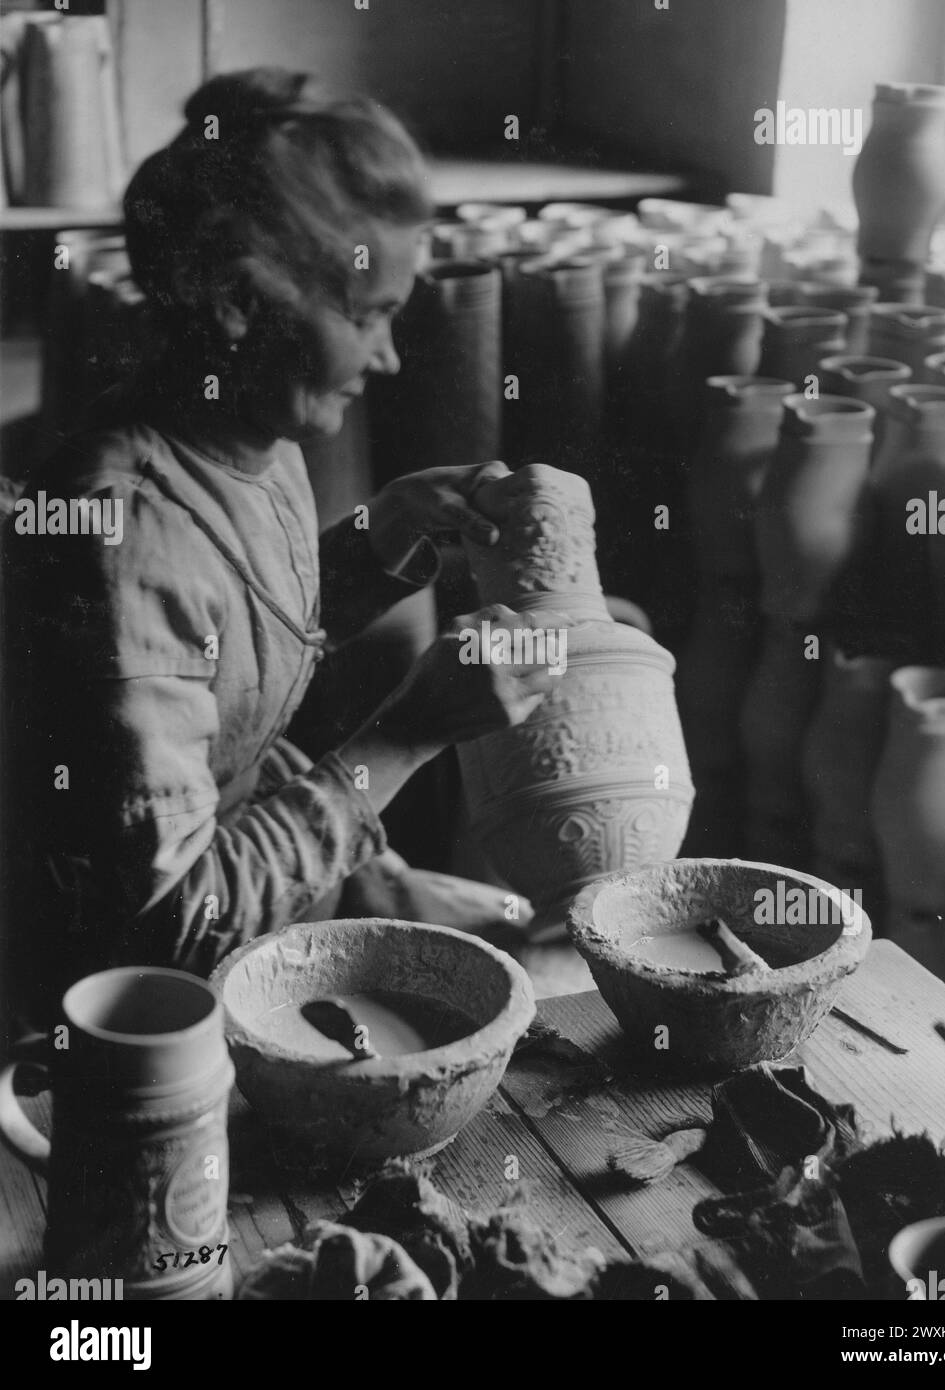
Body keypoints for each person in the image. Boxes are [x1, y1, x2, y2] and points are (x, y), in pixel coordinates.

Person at [1, 68, 561, 1027]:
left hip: (236, 928)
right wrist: (405, 736)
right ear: (237, 305)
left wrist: (380, 540)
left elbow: (225, 661)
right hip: (117, 1022)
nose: (387, 358)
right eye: (368, 314)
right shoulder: (121, 533)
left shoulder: (245, 442)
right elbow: (171, 920)